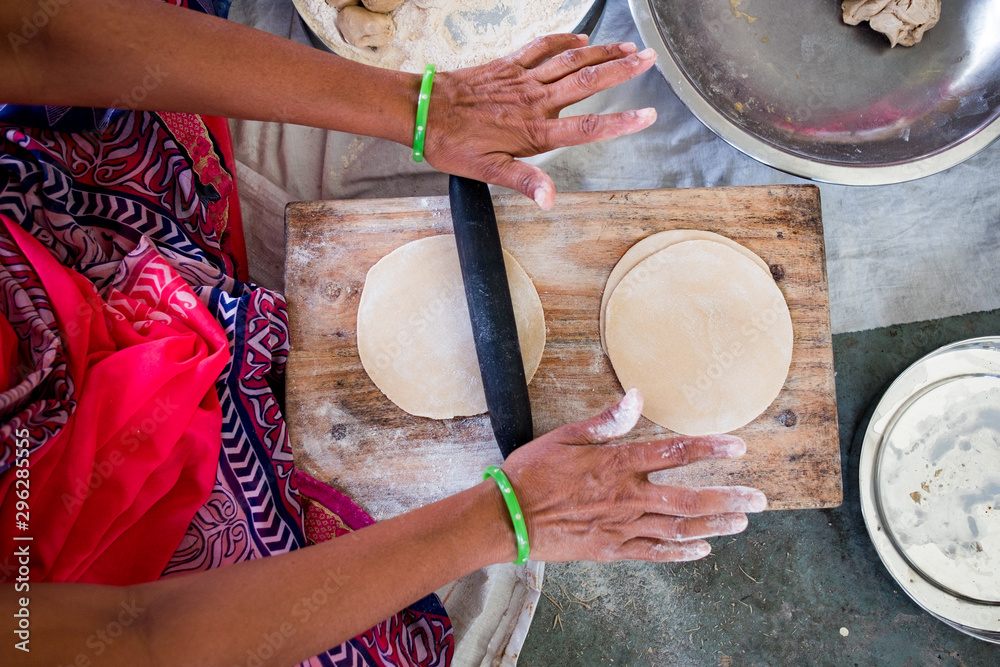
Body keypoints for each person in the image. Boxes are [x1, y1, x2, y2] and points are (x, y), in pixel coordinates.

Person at [0, 1, 767, 665]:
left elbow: (27, 39)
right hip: (60, 544)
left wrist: (421, 107)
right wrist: (504, 518)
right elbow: (138, 641)